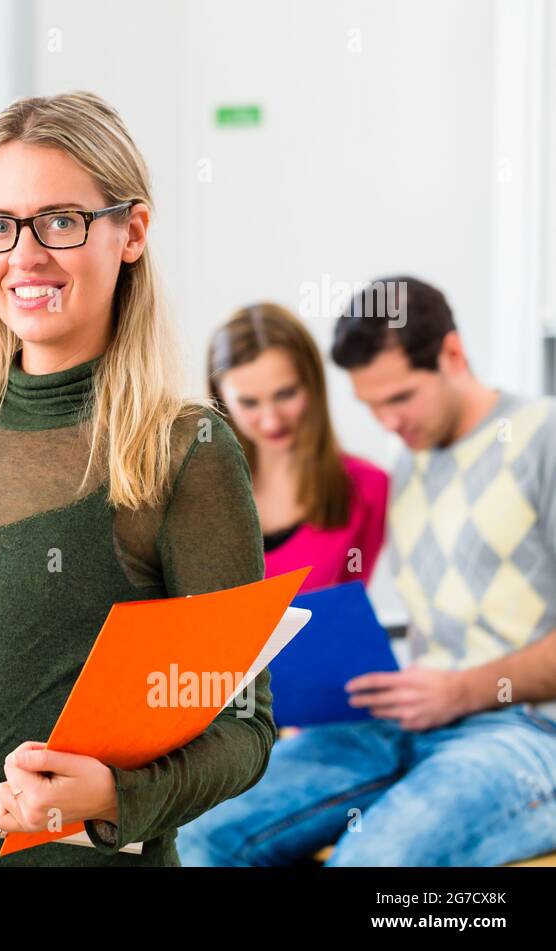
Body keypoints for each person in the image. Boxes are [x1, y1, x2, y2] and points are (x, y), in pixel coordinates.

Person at [0, 91, 274, 866]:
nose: (25, 255)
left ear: (132, 231)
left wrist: (118, 797)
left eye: (61, 221)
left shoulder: (185, 449)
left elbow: (242, 727)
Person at [178, 277, 556, 866]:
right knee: (198, 838)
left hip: (521, 731)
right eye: (370, 405)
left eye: (400, 397)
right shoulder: (411, 461)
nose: (386, 422)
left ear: (453, 356)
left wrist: (458, 691)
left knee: (370, 860)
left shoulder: (543, 438)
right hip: (401, 722)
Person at [208, 303, 388, 592]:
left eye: (286, 394)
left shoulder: (368, 490)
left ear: (312, 384)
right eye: (249, 402)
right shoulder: (194, 490)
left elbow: (345, 613)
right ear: (221, 398)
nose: (271, 421)